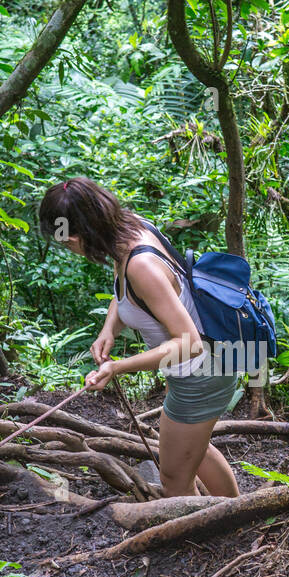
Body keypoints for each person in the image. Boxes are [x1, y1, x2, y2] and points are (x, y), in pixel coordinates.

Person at [39, 177, 240, 498]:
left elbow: (189, 342)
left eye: (65, 238)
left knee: (174, 478)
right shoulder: (128, 230)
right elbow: (125, 297)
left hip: (202, 373)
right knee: (193, 450)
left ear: (78, 235)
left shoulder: (140, 265)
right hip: (205, 368)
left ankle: (204, 535)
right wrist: (109, 329)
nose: (67, 245)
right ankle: (235, 513)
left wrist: (118, 367)